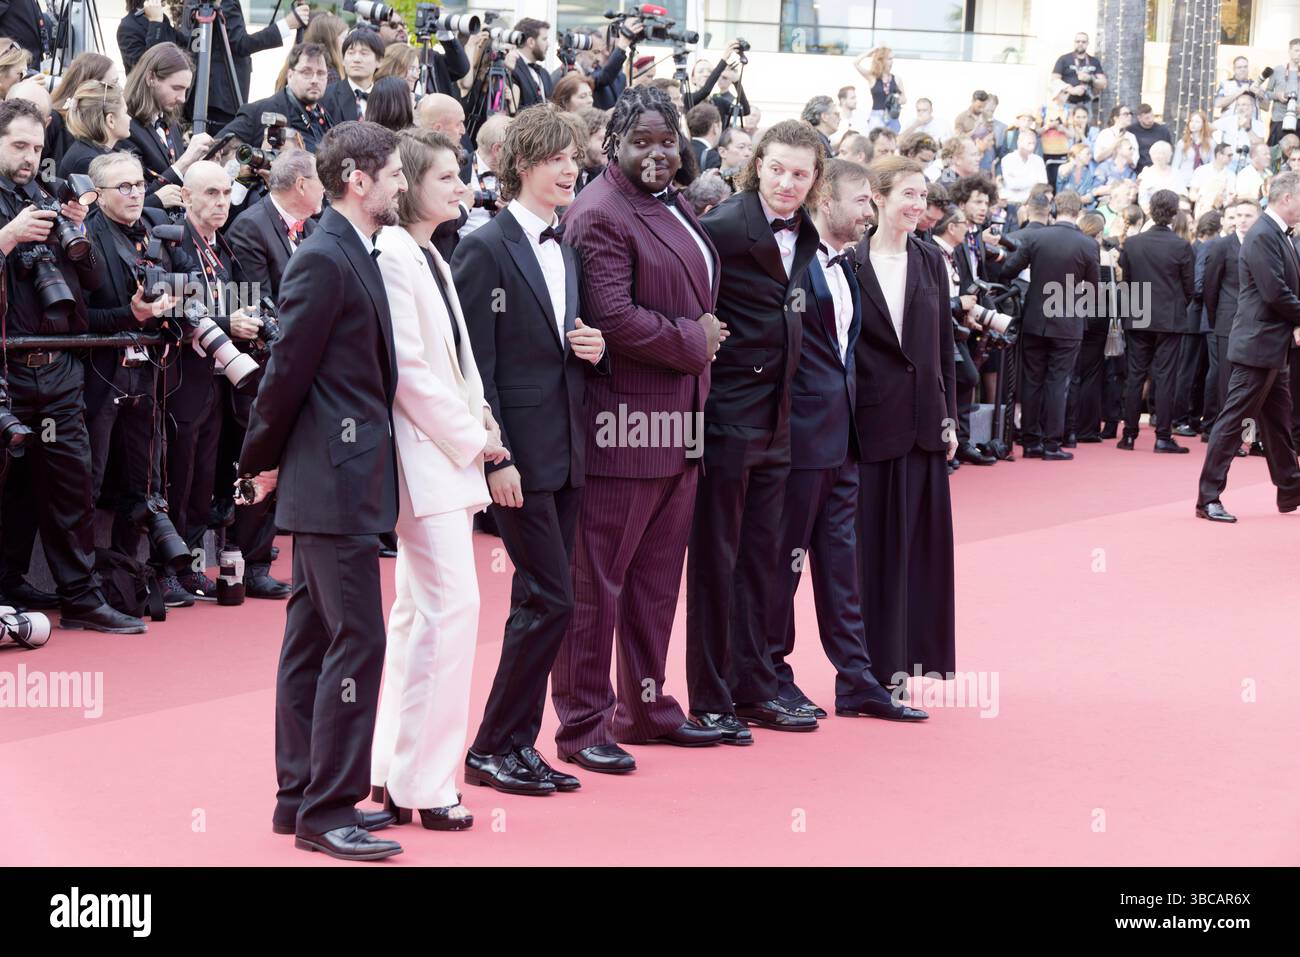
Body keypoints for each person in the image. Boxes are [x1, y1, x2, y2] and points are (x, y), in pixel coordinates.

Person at [238, 120, 408, 860]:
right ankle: (327, 807)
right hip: (332, 482)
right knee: (358, 638)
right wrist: (257, 459)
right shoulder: (324, 257)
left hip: (341, 478)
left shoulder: (350, 249)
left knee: (311, 640)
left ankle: (298, 797)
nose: (402, 184)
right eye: (395, 174)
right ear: (357, 180)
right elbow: (285, 375)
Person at [553, 85, 726, 764]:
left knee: (655, 584)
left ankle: (647, 709)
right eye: (641, 141)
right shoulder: (600, 212)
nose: (657, 154)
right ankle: (583, 726)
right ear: (611, 145)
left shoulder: (672, 200)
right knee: (597, 584)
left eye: (667, 141)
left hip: (681, 425)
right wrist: (693, 340)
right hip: (623, 427)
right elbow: (611, 316)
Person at [452, 105, 606, 793]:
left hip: (567, 453)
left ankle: (513, 744)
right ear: (521, 166)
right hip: (517, 458)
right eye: (555, 159)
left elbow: (562, 348)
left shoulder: (565, 246)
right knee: (552, 599)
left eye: (573, 158)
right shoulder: (485, 248)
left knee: (539, 599)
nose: (570, 170)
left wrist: (595, 349)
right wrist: (497, 455)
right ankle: (493, 746)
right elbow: (474, 368)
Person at [369, 128, 508, 831]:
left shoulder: (429, 254)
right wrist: (474, 438)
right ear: (409, 187)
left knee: (420, 615)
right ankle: (424, 781)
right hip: (425, 459)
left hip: (444, 455)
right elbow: (409, 371)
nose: (462, 186)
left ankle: (394, 771)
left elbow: (457, 361)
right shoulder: (395, 254)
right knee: (450, 614)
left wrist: (480, 420)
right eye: (447, 177)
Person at [768, 156, 928, 721]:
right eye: (861, 201)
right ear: (825, 201)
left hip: (844, 443)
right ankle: (772, 676)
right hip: (796, 445)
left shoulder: (848, 269)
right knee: (782, 567)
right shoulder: (790, 262)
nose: (869, 213)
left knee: (842, 570)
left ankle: (857, 681)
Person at [688, 120, 822, 735]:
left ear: (814, 179)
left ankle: (752, 688)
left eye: (800, 173)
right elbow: (688, 303)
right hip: (725, 417)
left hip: (778, 419)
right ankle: (710, 696)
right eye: (777, 169)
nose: (787, 183)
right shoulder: (721, 227)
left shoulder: (807, 231)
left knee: (761, 559)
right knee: (716, 559)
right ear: (757, 165)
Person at [0, 99, 145, 634]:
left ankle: (81, 597)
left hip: (58, 367)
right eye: (18, 145)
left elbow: (87, 286)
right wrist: (9, 236)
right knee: (11, 489)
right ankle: (8, 584)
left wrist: (77, 235)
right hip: (6, 371)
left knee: (69, 487)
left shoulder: (43, 196)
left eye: (37, 147)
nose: (30, 156)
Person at [851, 155, 956, 695]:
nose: (919, 206)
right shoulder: (850, 260)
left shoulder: (931, 258)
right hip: (870, 425)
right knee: (874, 551)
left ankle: (915, 660)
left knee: (922, 548)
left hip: (925, 422)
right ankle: (873, 667)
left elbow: (943, 343)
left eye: (923, 196)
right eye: (909, 195)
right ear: (879, 197)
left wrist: (950, 416)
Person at [80, 151, 191, 605]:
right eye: (123, 187)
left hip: (147, 374)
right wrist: (132, 314)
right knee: (89, 480)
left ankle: (129, 579)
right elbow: (76, 318)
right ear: (97, 194)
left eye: (139, 185)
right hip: (98, 377)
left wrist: (173, 305)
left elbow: (191, 284)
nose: (135, 194)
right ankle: (84, 587)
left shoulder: (154, 227)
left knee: (143, 480)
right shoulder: (84, 236)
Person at [1196, 171, 1300, 521]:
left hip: (1272, 346)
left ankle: (1291, 489)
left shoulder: (1276, 234)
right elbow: (1274, 292)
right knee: (1232, 421)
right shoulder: (1263, 235)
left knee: (1278, 422)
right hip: (1258, 345)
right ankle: (1208, 498)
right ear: (1287, 198)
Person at [1000, 190, 1099, 458]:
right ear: (1078, 212)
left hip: (1035, 319)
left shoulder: (1037, 237)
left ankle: (1031, 442)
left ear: (1055, 209)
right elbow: (1093, 288)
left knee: (1032, 380)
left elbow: (1008, 270)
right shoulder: (1088, 245)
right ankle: (1052, 443)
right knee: (1058, 381)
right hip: (1068, 323)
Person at [1117, 189, 1196, 453]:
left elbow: (1127, 282)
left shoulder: (1133, 243)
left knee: (1135, 375)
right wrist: (1176, 305)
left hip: (1139, 315)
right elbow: (1189, 287)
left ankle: (1129, 435)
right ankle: (1162, 436)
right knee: (1165, 377)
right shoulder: (1181, 246)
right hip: (1168, 318)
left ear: (1150, 210)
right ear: (1174, 214)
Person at [179, 0, 311, 132]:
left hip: (205, 96)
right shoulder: (225, 3)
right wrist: (286, 25)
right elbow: (241, 44)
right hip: (221, 98)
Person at [123, 43, 214, 213]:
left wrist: (199, 163)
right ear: (151, 78)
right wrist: (186, 160)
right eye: (176, 88)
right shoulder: (125, 128)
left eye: (186, 90)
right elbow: (134, 198)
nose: (182, 98)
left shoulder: (169, 122)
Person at [226, 148, 321, 300]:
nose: (324, 188)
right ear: (301, 185)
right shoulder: (249, 229)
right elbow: (257, 304)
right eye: (321, 179)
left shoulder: (312, 227)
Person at [217, 42, 334, 153]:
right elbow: (218, 147)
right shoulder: (260, 112)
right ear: (290, 75)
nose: (315, 80)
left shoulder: (326, 118)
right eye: (306, 72)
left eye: (320, 73)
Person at [1202, 200, 1259, 422]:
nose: (1241, 220)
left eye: (1247, 215)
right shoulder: (1221, 246)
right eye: (1237, 216)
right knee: (1226, 379)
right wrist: (1217, 319)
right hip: (1227, 322)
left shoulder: (1263, 243)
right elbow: (1210, 286)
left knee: (1253, 381)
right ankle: (1226, 431)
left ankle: (1249, 432)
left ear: (1258, 218)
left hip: (1257, 323)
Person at [56, 81, 131, 179]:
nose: (130, 118)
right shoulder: (88, 161)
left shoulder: (93, 151)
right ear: (111, 120)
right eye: (125, 112)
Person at [320, 27, 385, 123]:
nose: (356, 59)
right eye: (351, 53)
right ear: (343, 59)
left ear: (379, 61)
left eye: (364, 53)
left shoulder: (386, 98)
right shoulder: (326, 96)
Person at [118, 0, 187, 73]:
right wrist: (156, 23)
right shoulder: (127, 27)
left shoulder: (161, 17)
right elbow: (147, 66)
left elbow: (182, 43)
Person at [1051, 32, 1107, 117]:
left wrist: (1091, 78)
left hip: (1086, 104)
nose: (1080, 44)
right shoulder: (1064, 59)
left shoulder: (1094, 61)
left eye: (1083, 42)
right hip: (1067, 102)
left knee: (1085, 125)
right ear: (1074, 43)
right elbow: (1054, 80)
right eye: (1078, 41)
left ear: (1087, 44)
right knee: (1067, 124)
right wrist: (1071, 90)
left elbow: (1103, 83)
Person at [853, 46, 904, 133]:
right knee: (876, 138)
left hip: (891, 115)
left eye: (892, 59)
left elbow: (904, 99)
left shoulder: (896, 78)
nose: (892, 61)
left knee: (893, 139)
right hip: (876, 116)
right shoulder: (872, 77)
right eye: (889, 59)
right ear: (882, 60)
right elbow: (856, 63)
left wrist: (895, 100)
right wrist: (874, 49)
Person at [1261, 39, 1300, 146]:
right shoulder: (1278, 70)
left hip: (1298, 119)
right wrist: (1277, 95)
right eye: (1296, 50)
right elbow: (1267, 93)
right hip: (1279, 119)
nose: (1299, 54)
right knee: (1276, 151)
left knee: (1296, 153)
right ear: (1289, 51)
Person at [510, 18, 554, 108]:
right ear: (531, 42)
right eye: (544, 39)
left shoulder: (544, 73)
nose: (548, 44)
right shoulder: (511, 70)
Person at [1130, 104, 1173, 174]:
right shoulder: (1131, 130)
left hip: (1158, 169)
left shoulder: (1162, 131)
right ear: (1139, 118)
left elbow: (1169, 149)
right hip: (1137, 170)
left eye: (1152, 116)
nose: (1151, 120)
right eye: (1147, 118)